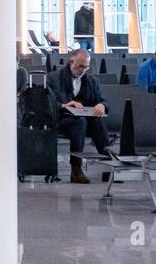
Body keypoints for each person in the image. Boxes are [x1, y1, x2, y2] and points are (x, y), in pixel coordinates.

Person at [47, 48, 110, 184]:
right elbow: (46, 103)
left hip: (84, 121)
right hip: (61, 120)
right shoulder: (53, 78)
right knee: (80, 121)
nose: (83, 70)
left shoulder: (91, 81)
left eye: (86, 67)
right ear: (71, 62)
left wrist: (102, 106)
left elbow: (102, 100)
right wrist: (64, 105)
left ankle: (108, 166)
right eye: (80, 66)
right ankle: (76, 168)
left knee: (97, 122)